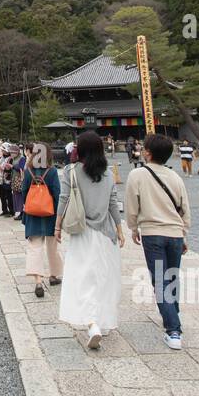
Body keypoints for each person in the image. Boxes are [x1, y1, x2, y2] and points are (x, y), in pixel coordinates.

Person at [55, 132, 124, 349]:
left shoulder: (71, 171)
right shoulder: (108, 174)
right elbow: (114, 203)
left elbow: (64, 199)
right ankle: (101, 321)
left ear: (81, 150)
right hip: (106, 233)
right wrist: (120, 229)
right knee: (103, 279)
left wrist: (57, 226)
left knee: (82, 279)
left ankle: (92, 322)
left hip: (82, 233)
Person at [125, 134, 191, 350]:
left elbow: (132, 205)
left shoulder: (137, 175)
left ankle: (173, 329)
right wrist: (183, 233)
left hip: (153, 233)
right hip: (174, 233)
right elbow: (184, 209)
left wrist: (133, 227)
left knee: (160, 281)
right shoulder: (175, 178)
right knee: (171, 276)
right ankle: (172, 313)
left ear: (148, 153)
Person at [21, 156, 62, 298]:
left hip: (33, 214)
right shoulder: (52, 171)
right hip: (50, 214)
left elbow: (24, 191)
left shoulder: (28, 171)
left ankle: (38, 281)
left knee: (34, 247)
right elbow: (57, 193)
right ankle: (53, 275)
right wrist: (59, 216)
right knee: (53, 247)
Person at [11, 144, 30, 221]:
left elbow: (22, 168)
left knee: (20, 197)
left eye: (13, 152)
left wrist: (12, 167)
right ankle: (20, 212)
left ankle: (22, 213)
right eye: (11, 152)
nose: (11, 154)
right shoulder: (13, 158)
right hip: (15, 179)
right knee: (16, 196)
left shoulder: (21, 158)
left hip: (19, 180)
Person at [0, 147, 15, 216]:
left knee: (9, 195)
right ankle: (4, 210)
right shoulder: (1, 157)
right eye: (2, 150)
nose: (2, 151)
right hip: (1, 179)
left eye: (3, 150)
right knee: (1, 195)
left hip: (7, 179)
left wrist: (4, 169)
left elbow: (11, 169)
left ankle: (12, 211)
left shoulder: (11, 159)